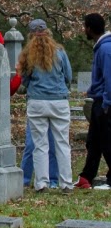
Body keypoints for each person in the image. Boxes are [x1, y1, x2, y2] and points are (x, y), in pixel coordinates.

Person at [0, 29, 59, 189]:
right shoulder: (28, 58)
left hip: (50, 101)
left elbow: (66, 76)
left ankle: (51, 179)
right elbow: (19, 87)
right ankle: (25, 179)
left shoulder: (58, 56)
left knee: (50, 143)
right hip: (39, 102)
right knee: (33, 144)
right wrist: (22, 77)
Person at [18, 19, 73, 192]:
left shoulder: (27, 54)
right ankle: (66, 183)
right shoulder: (60, 52)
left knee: (40, 144)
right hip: (59, 101)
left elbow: (25, 80)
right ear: (48, 32)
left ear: (30, 35)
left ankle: (42, 183)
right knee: (62, 143)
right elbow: (68, 76)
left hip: (37, 101)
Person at [74, 13, 111, 190]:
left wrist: (106, 103)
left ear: (89, 28)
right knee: (93, 142)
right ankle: (86, 177)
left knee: (107, 142)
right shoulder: (101, 47)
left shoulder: (105, 49)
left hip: (105, 104)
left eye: (84, 27)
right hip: (99, 101)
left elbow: (109, 78)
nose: (84, 30)